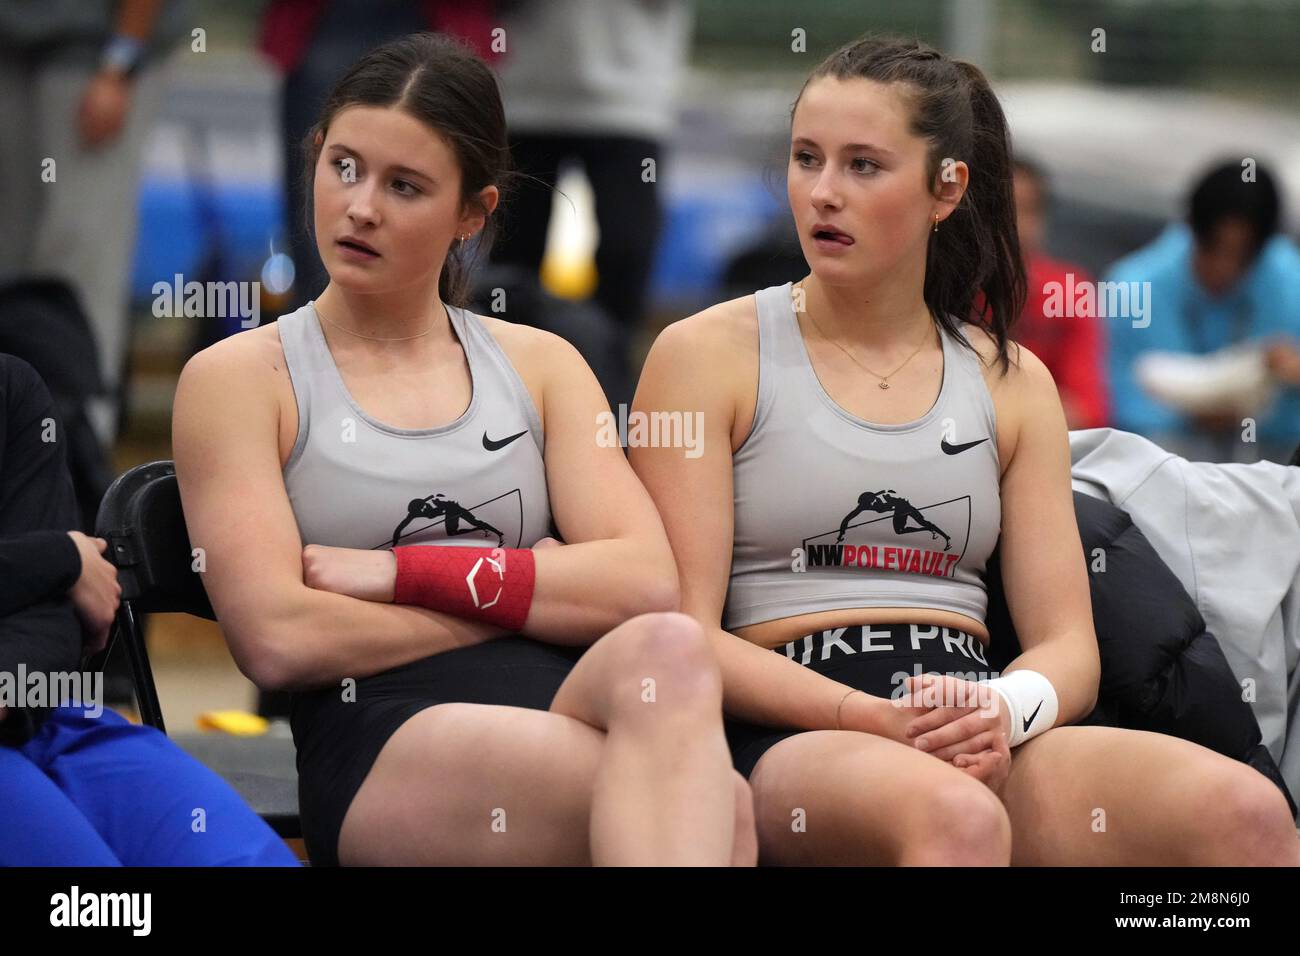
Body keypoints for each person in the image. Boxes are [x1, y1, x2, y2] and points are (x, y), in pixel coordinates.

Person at [629, 35, 1300, 865]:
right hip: (790, 726)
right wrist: (872, 717)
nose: (823, 193)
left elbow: (1068, 648)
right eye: (807, 158)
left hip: (973, 717)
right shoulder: (704, 354)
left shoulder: (1012, 382)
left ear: (947, 190)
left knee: (1248, 815)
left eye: (863, 166)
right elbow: (681, 633)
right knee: (955, 818)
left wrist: (1004, 710)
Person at [172, 33, 753, 867]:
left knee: (672, 652)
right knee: (715, 802)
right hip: (385, 736)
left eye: (404, 186)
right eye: (345, 167)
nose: (362, 206)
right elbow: (278, 638)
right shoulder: (241, 378)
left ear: (472, 214)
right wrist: (519, 595)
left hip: (558, 701)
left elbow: (644, 585)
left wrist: (397, 576)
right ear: (314, 160)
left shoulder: (541, 364)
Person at [0, 353, 298, 866]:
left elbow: (50, 615)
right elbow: (56, 575)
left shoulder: (11, 388)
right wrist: (57, 556)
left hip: (37, 712)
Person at [1105, 160, 1300, 463]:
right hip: (1163, 456)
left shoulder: (1291, 283)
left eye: (1242, 256)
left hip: (1265, 455)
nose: (1225, 268)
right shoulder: (1131, 288)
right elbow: (1121, 403)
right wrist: (1196, 418)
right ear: (1193, 231)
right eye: (1213, 249)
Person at [1010, 157, 1108, 430]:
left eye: (1028, 210)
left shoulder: (1069, 291)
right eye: (1002, 209)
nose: (1015, 224)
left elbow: (1088, 411)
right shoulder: (946, 288)